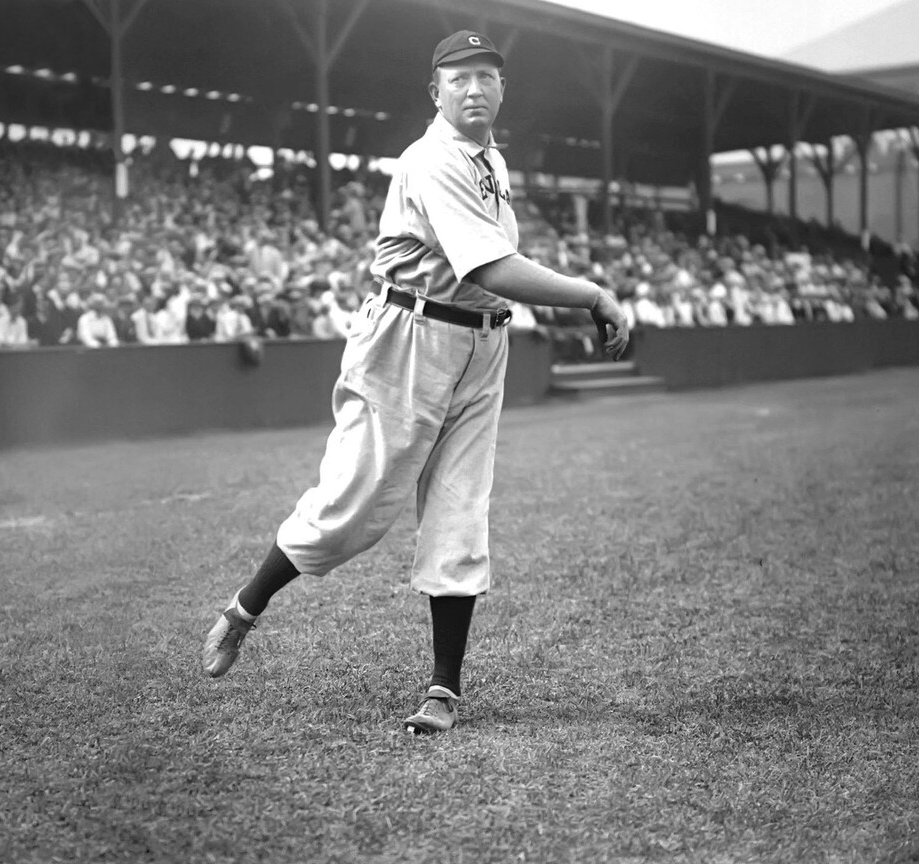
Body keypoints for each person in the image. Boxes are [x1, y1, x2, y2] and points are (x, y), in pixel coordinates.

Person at [202, 30, 628, 735]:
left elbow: (495, 277)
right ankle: (242, 611)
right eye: (458, 78)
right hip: (409, 337)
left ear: (501, 88)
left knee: (462, 513)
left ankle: (442, 691)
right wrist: (592, 294)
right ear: (435, 91)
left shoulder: (488, 155)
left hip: (481, 344)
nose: (474, 89)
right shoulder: (430, 160)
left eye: (487, 76)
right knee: (350, 508)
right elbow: (489, 269)